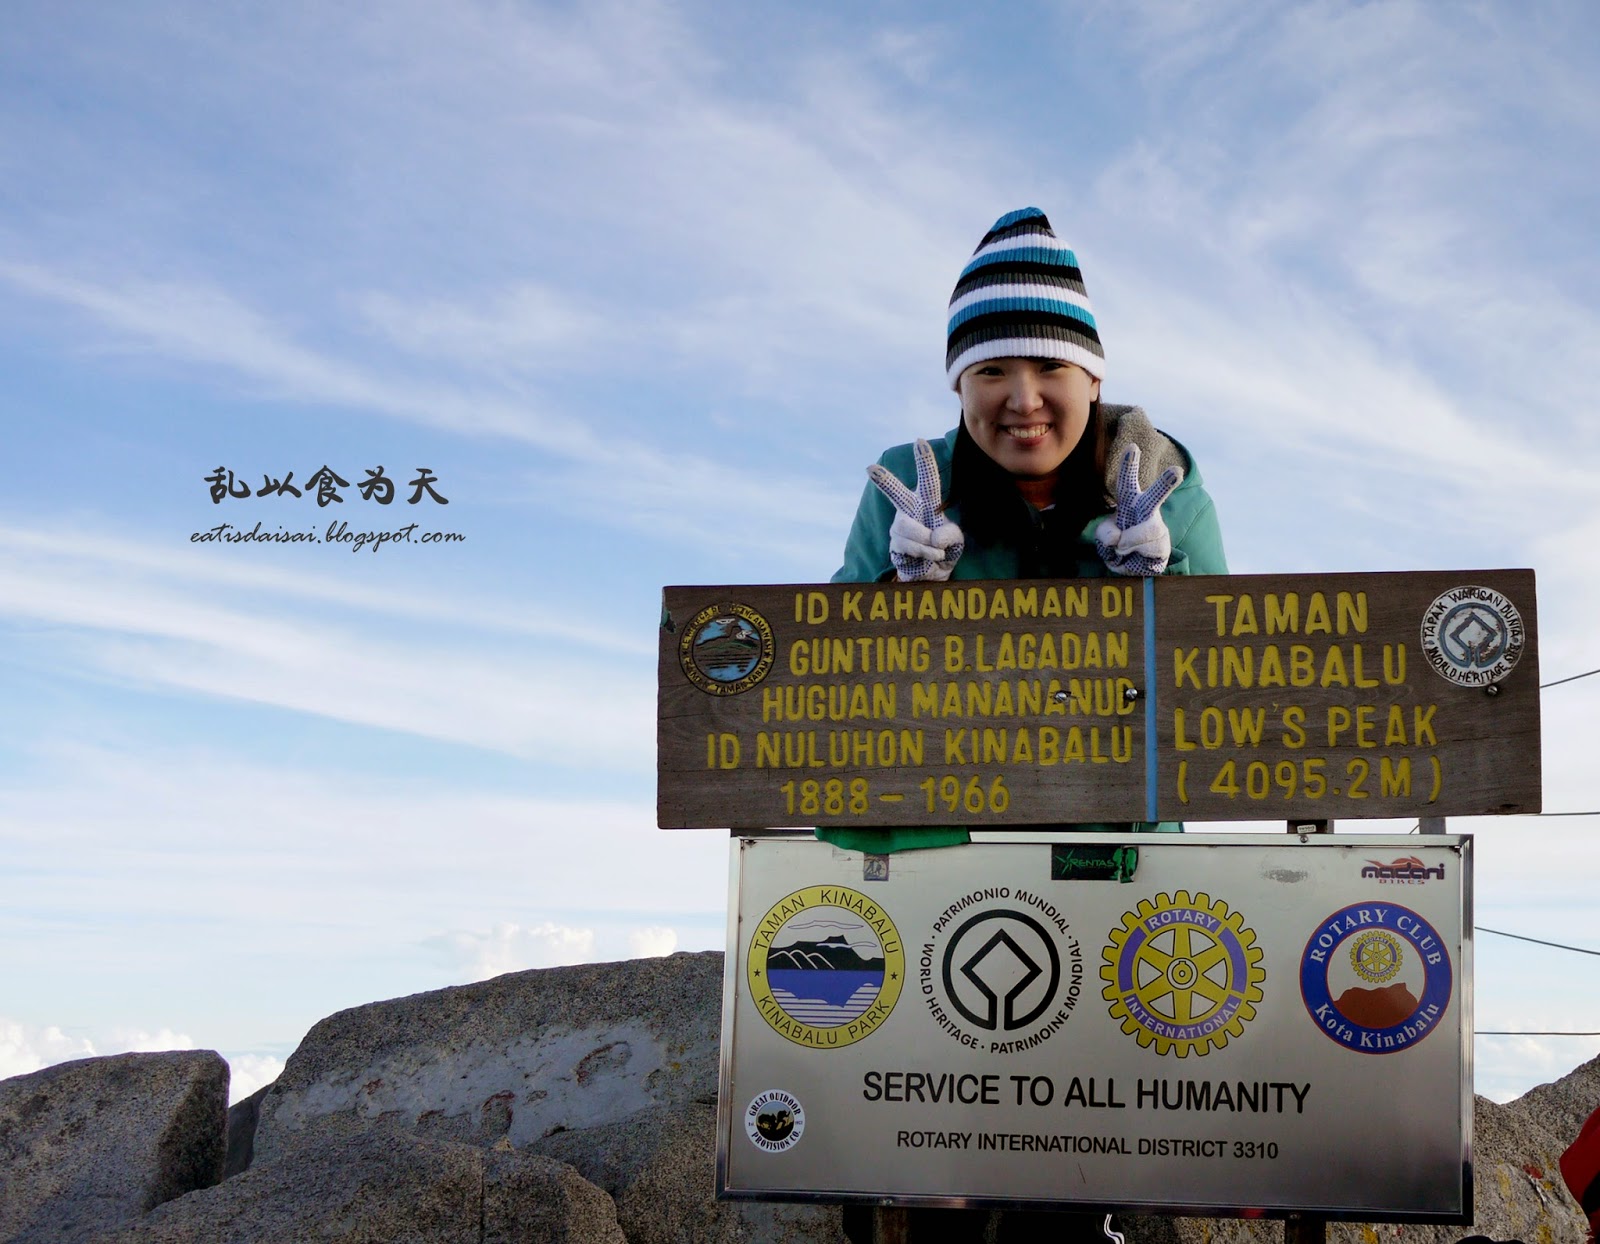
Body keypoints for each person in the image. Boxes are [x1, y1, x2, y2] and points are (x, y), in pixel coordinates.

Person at [823, 206, 1226, 856]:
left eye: (1049, 367)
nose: (1023, 398)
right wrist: (900, 589)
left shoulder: (1166, 486)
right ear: (959, 387)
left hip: (1116, 849)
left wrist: (1162, 582)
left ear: (1093, 379)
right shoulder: (910, 484)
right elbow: (829, 683)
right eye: (990, 371)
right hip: (939, 847)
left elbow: (1225, 687)